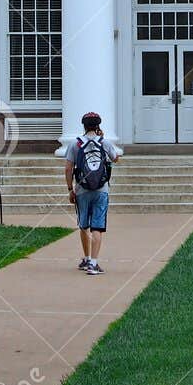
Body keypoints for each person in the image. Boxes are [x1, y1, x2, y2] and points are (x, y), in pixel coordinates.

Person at [65, 112, 121, 275]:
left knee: (84, 224)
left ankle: (86, 258)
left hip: (82, 189)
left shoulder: (75, 144)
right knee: (97, 225)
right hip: (101, 189)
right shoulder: (105, 142)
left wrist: (70, 189)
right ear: (98, 126)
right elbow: (115, 158)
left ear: (83, 125)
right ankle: (94, 264)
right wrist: (102, 138)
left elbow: (68, 168)